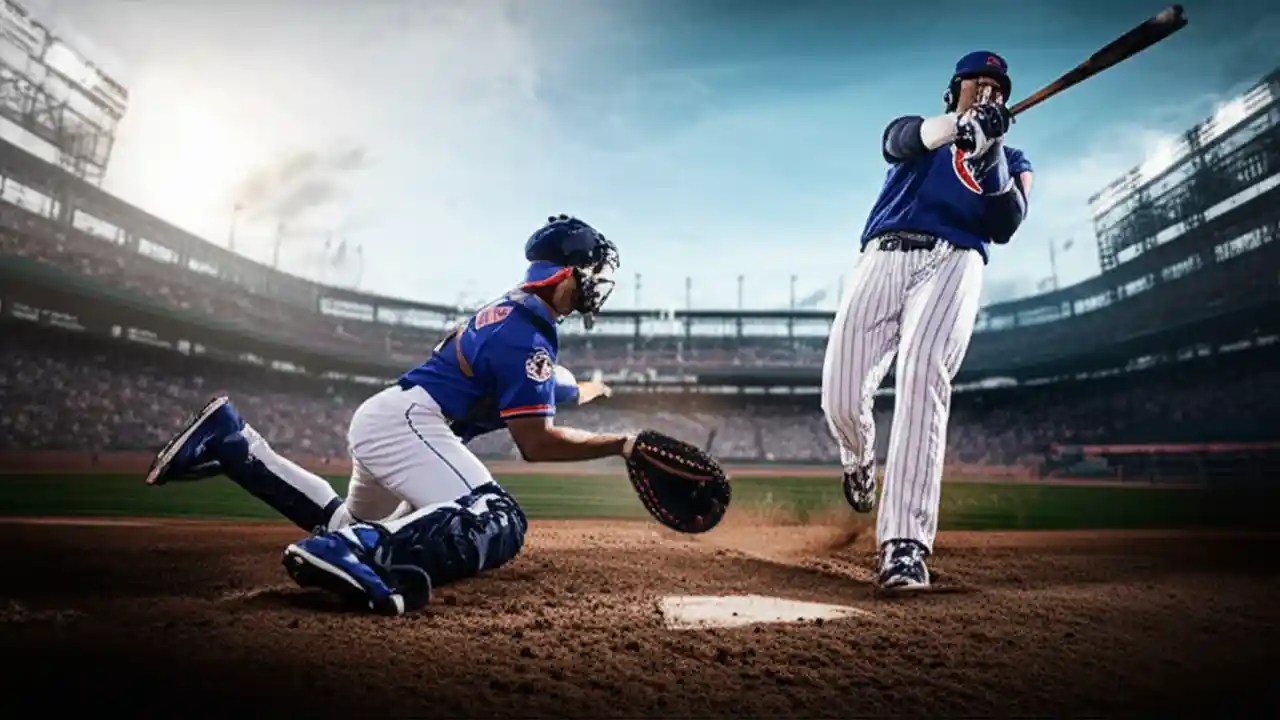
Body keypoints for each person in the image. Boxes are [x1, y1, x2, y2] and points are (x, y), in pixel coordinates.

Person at [145, 214, 632, 615]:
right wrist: (623, 444)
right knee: (495, 515)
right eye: (592, 272)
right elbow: (537, 443)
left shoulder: (514, 317)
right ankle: (348, 553)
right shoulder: (527, 335)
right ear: (567, 274)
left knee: (349, 522)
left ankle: (234, 443)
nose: (598, 284)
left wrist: (590, 388)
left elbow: (552, 381)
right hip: (411, 425)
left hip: (392, 417)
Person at [820, 51, 1033, 591]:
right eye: (975, 83)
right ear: (953, 89)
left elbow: (1006, 221)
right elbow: (897, 141)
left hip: (956, 259)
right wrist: (958, 131)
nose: (986, 92)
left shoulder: (1016, 158)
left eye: (996, 88)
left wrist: (991, 154)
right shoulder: (922, 134)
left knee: (922, 375)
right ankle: (859, 461)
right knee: (839, 395)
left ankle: (904, 546)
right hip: (883, 255)